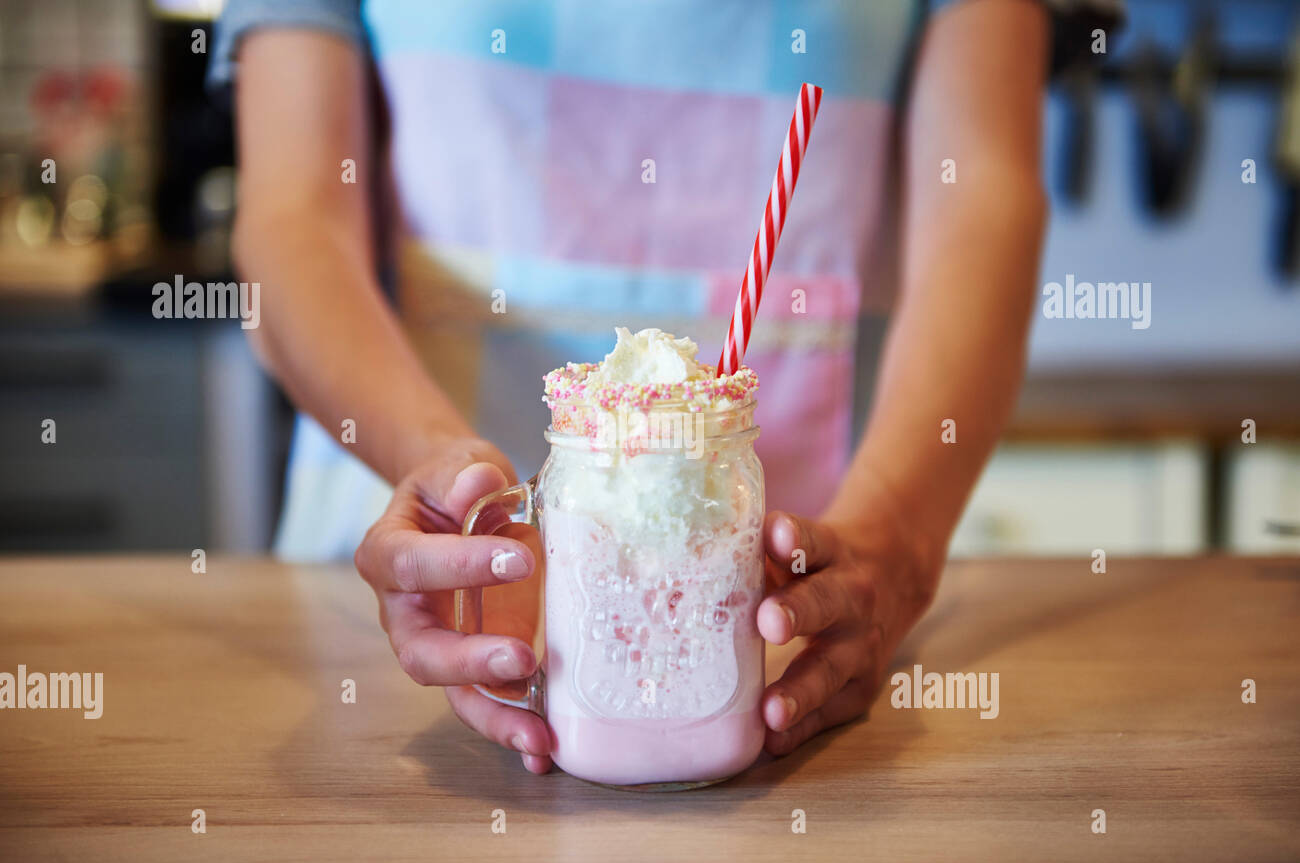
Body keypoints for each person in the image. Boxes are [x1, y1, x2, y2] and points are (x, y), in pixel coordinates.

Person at [210, 0, 1119, 774]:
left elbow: (984, 193)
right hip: (410, 597)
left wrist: (896, 536)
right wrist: (442, 475)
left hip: (807, 625)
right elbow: (292, 219)